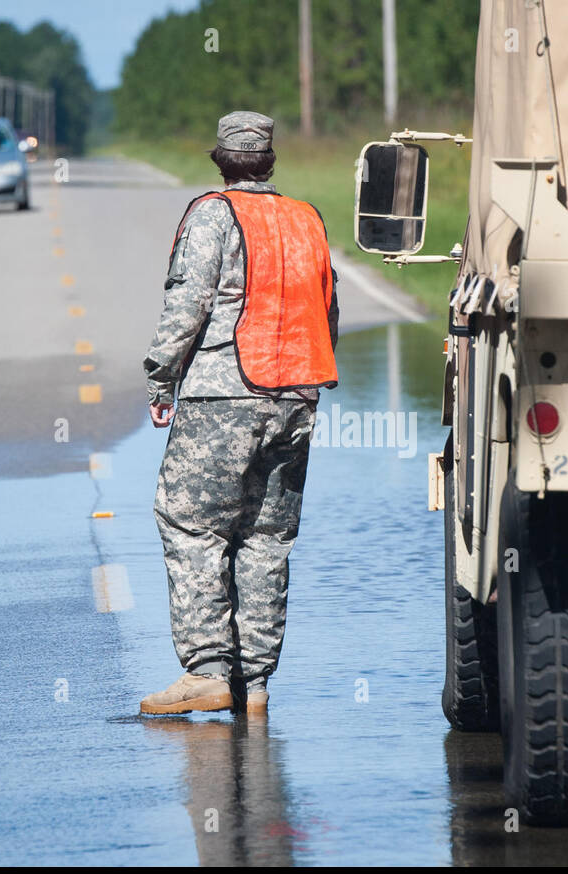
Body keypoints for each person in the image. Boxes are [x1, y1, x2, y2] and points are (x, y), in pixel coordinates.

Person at [139, 110, 339, 717]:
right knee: (266, 536)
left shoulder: (212, 214)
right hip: (297, 395)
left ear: (222, 160)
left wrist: (161, 377)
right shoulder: (307, 218)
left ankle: (206, 672)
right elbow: (327, 309)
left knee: (192, 522)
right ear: (270, 160)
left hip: (223, 396)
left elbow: (189, 304)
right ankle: (254, 683)